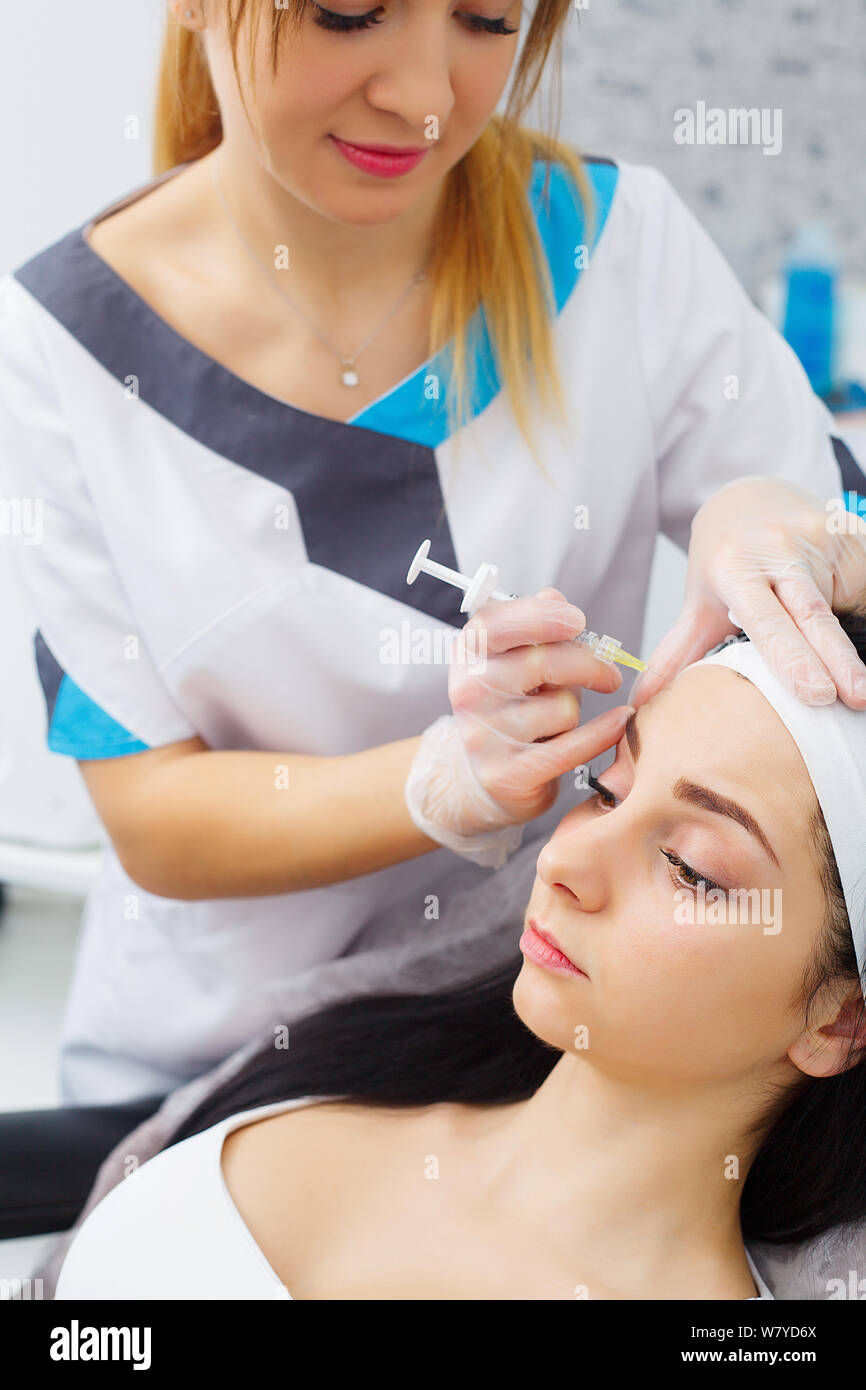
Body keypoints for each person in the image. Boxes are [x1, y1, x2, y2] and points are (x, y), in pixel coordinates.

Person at [1, 0, 865, 1106]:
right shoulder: (61, 347)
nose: (421, 97)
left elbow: (837, 574)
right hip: (216, 1063)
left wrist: (791, 521)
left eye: (483, 20)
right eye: (348, 14)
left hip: (550, 1037)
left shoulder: (618, 248)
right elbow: (155, 819)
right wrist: (439, 781)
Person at [52, 610, 866, 1301]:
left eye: (691, 867)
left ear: (840, 1020)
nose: (561, 864)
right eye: (606, 792)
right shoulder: (335, 1067)